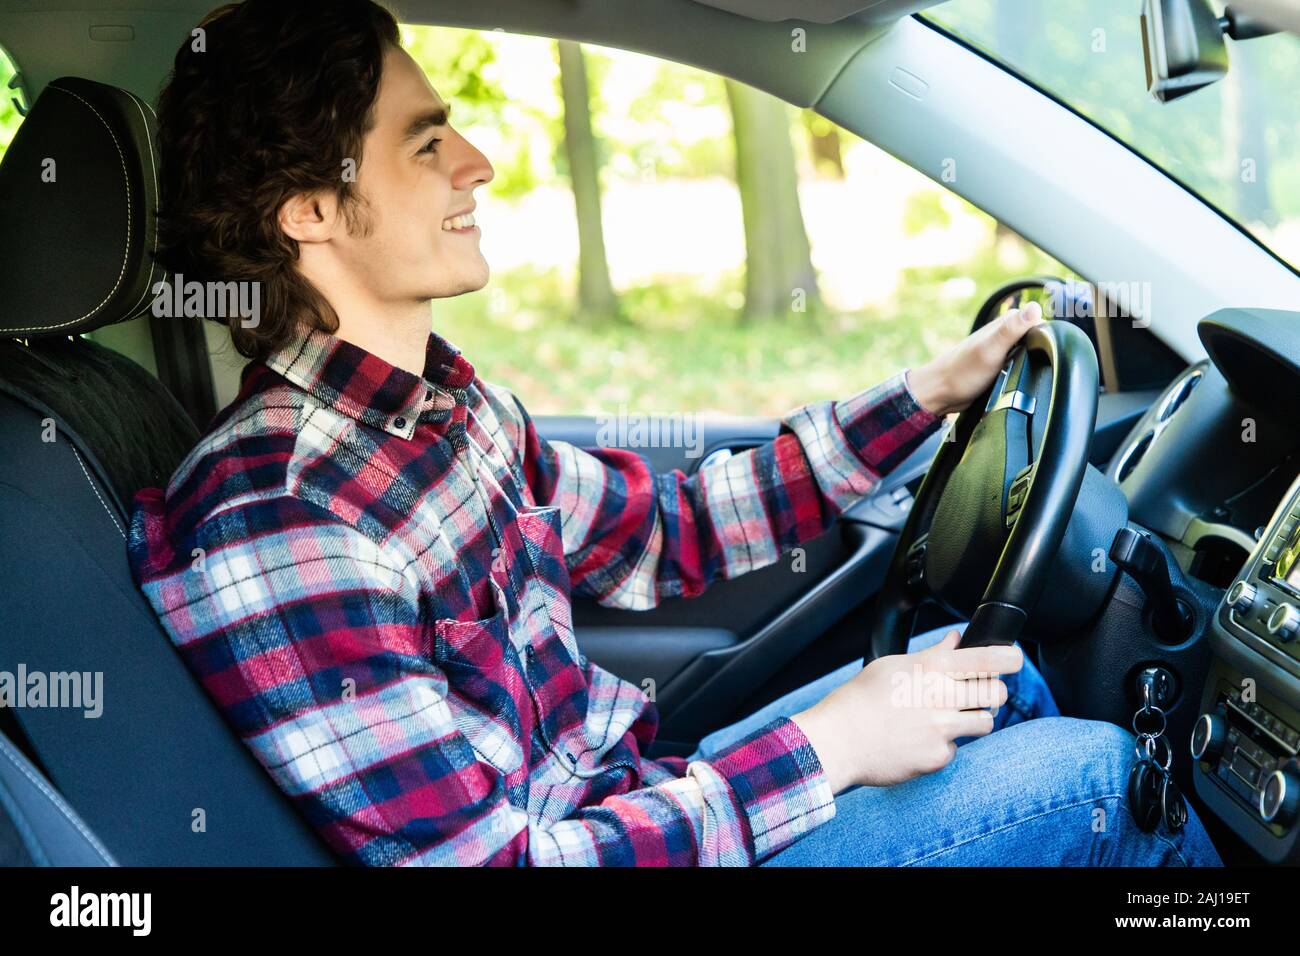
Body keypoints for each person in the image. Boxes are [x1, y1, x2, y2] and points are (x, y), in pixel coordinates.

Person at [128, 0, 1221, 866]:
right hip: (609, 842)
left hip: (637, 800)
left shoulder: (446, 413)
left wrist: (926, 394)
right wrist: (831, 743)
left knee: (989, 677)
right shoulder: (280, 520)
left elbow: (672, 531)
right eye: (425, 143)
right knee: (1101, 780)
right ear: (308, 210)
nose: (477, 163)